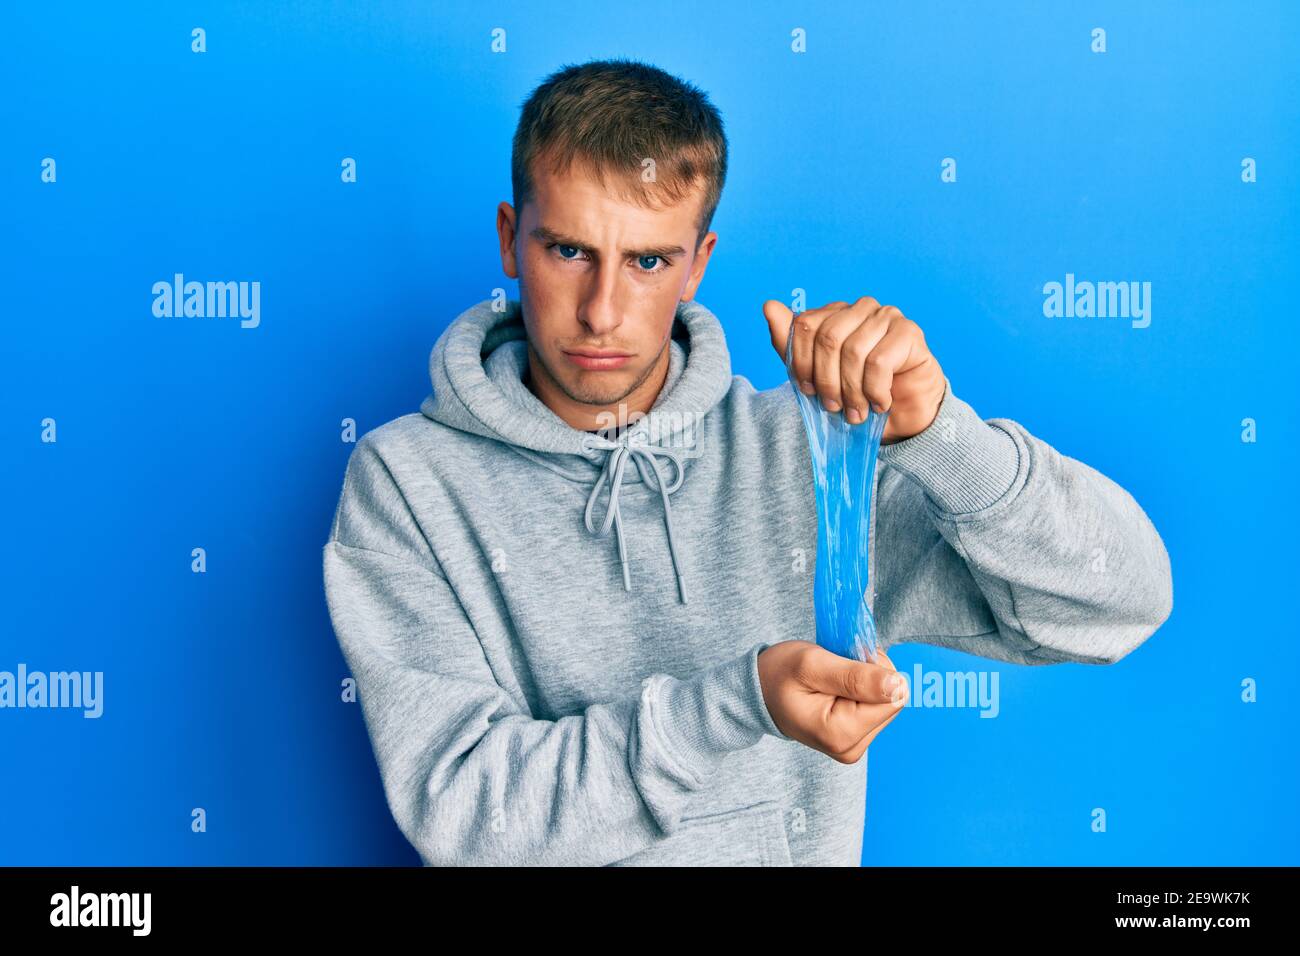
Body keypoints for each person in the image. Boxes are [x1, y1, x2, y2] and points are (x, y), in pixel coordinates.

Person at [321, 57, 1173, 867]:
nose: (602, 312)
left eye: (648, 260)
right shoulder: (406, 484)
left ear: (699, 264)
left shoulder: (810, 460)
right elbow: (465, 814)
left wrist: (939, 435)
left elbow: (1121, 601)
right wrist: (738, 702)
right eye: (569, 251)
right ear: (512, 241)